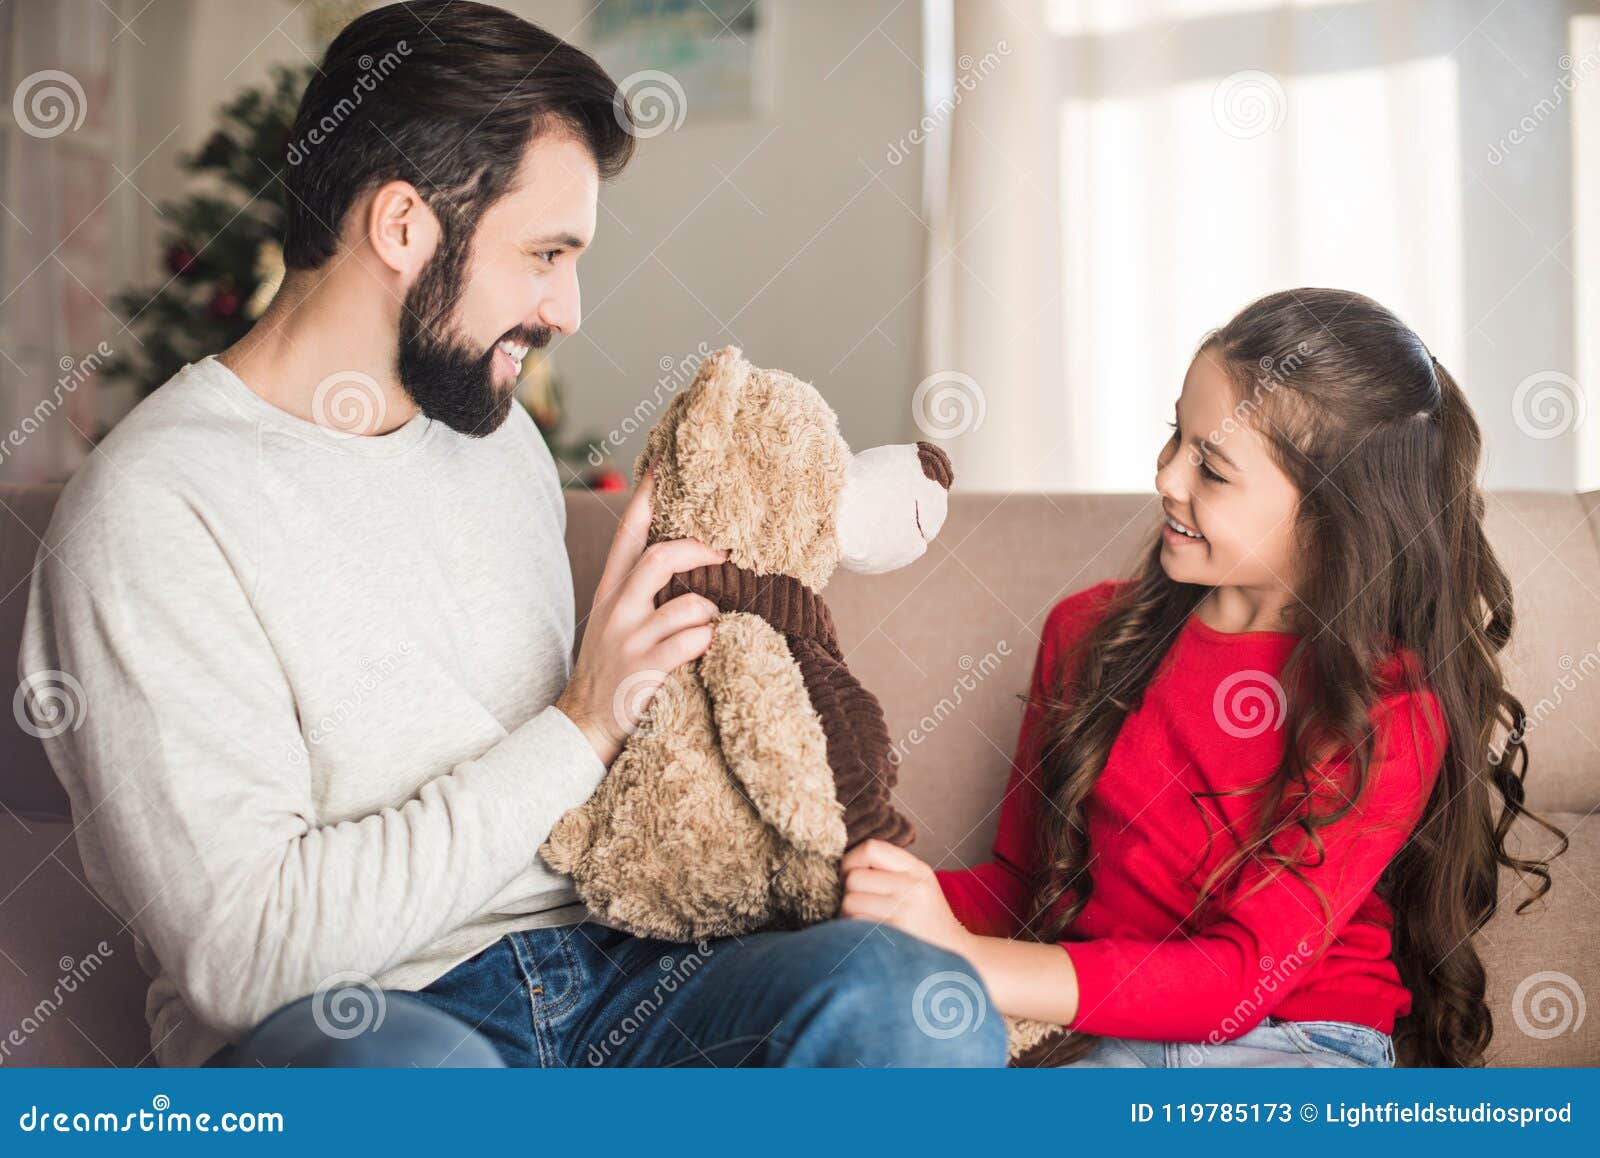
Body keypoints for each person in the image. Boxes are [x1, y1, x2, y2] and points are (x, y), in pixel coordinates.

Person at [20, 1, 1004, 1069]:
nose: (568, 307)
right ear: (403, 227)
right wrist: (581, 725)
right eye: (544, 253)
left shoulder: (492, 442)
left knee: (899, 998)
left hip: (609, 974)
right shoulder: (156, 509)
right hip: (366, 1020)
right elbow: (248, 953)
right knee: (426, 1079)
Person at [840, 288, 1566, 1068]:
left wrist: (968, 959)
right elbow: (1024, 894)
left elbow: (1241, 980)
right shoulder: (1086, 632)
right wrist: (879, 898)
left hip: (1302, 1047)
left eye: (1212, 469)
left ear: (1335, 517)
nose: (1165, 478)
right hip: (1107, 1038)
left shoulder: (1389, 708)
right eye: (1173, 437)